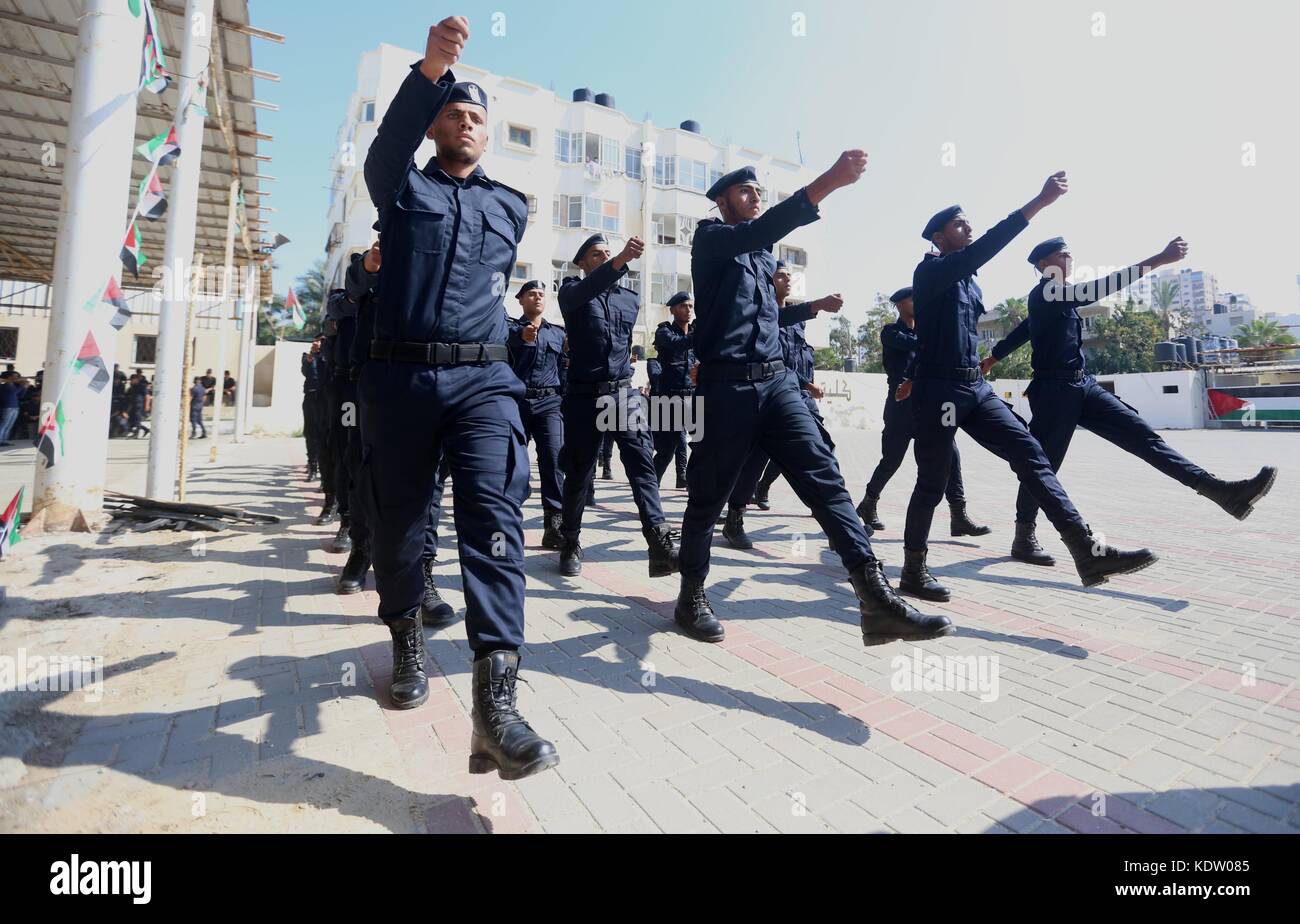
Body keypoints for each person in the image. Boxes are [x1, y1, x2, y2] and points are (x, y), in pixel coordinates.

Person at [359, 16, 557, 779]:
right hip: (401, 378)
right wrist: (432, 71)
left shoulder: (512, 205)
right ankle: (406, 636)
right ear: (435, 124)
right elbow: (385, 148)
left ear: (486, 133)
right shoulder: (401, 187)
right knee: (402, 522)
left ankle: (496, 706)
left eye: (477, 116)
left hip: (484, 380)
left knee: (495, 521)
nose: (466, 123)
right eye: (454, 113)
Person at [676, 157, 951, 647]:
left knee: (827, 483)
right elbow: (761, 230)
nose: (754, 194)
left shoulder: (762, 257)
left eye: (758, 189)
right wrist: (828, 183)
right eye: (744, 190)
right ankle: (691, 594)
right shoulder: (712, 238)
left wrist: (813, 308)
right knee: (706, 495)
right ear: (722, 201)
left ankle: (875, 597)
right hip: (727, 388)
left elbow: (769, 317)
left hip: (779, 384)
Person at [896, 174, 1157, 606]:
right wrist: (1039, 202)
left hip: (974, 388)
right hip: (940, 393)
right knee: (933, 478)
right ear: (939, 238)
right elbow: (985, 248)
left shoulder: (970, 282)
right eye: (960, 225)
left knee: (1032, 455)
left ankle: (1086, 552)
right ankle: (912, 569)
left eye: (968, 224)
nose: (969, 229)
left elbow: (940, 335)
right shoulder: (931, 271)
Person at [983, 234, 1277, 564]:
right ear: (1043, 265)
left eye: (1070, 254)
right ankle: (1024, 537)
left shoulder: (1054, 298)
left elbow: (1026, 328)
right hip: (1053, 392)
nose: (1069, 259)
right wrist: (1159, 259)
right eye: (1062, 255)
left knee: (1144, 437)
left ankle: (1222, 492)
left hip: (1084, 387)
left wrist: (994, 357)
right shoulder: (1046, 293)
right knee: (1042, 467)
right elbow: (1098, 289)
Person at [556, 232, 680, 578]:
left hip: (623, 394)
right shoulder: (571, 291)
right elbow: (585, 290)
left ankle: (659, 543)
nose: (606, 257)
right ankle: (570, 541)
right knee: (580, 473)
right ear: (582, 263)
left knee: (642, 464)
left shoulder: (629, 299)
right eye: (597, 254)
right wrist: (620, 259)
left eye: (608, 253)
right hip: (584, 396)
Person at [719, 263, 844, 548]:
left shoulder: (798, 319)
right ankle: (734, 517)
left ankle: (839, 525)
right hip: (772, 394)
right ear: (767, 280)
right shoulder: (759, 312)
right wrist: (818, 305)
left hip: (800, 398)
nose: (787, 279)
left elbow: (798, 357)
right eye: (780, 275)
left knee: (824, 451)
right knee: (755, 460)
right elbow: (776, 358)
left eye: (790, 275)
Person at [855, 286, 988, 537]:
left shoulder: (927, 331)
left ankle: (958, 515)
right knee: (892, 459)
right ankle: (868, 502)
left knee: (952, 454)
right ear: (899, 304)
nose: (917, 302)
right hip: (901, 404)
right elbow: (920, 345)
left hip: (931, 401)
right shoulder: (891, 332)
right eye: (911, 299)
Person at [506, 280, 567, 549]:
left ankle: (553, 524)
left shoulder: (557, 334)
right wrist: (521, 339)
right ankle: (507, 520)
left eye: (541, 294)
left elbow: (563, 370)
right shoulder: (508, 329)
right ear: (520, 299)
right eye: (531, 294)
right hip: (517, 402)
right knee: (512, 464)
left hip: (550, 404)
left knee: (553, 461)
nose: (537, 298)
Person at [651, 292, 696, 489]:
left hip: (693, 397)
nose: (688, 310)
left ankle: (697, 491)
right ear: (672, 310)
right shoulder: (664, 332)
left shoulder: (695, 331)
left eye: (690, 306)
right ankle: (649, 488)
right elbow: (678, 344)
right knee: (666, 451)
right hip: (670, 398)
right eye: (683, 306)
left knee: (702, 445)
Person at [301, 338, 325, 481]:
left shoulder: (329, 355)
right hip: (311, 397)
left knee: (325, 434)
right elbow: (305, 370)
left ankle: (324, 470)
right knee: (310, 433)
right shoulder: (307, 357)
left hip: (325, 398)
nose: (318, 343)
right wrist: (312, 354)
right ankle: (312, 466)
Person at [0, 372, 29, 447]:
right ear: (9, 377)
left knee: (9, 426)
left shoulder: (14, 386)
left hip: (15, 407)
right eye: (15, 376)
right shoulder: (3, 386)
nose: (17, 378)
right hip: (7, 407)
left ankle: (3, 440)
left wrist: (25, 388)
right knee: (4, 425)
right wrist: (22, 386)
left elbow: (21, 396)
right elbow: (12, 393)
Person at [126, 373, 151, 438]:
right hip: (133, 406)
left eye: (132, 379)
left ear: (136, 379)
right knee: (132, 420)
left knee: (137, 420)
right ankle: (146, 430)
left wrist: (147, 406)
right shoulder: (132, 387)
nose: (131, 381)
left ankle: (136, 434)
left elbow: (147, 396)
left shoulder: (141, 386)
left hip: (139, 406)